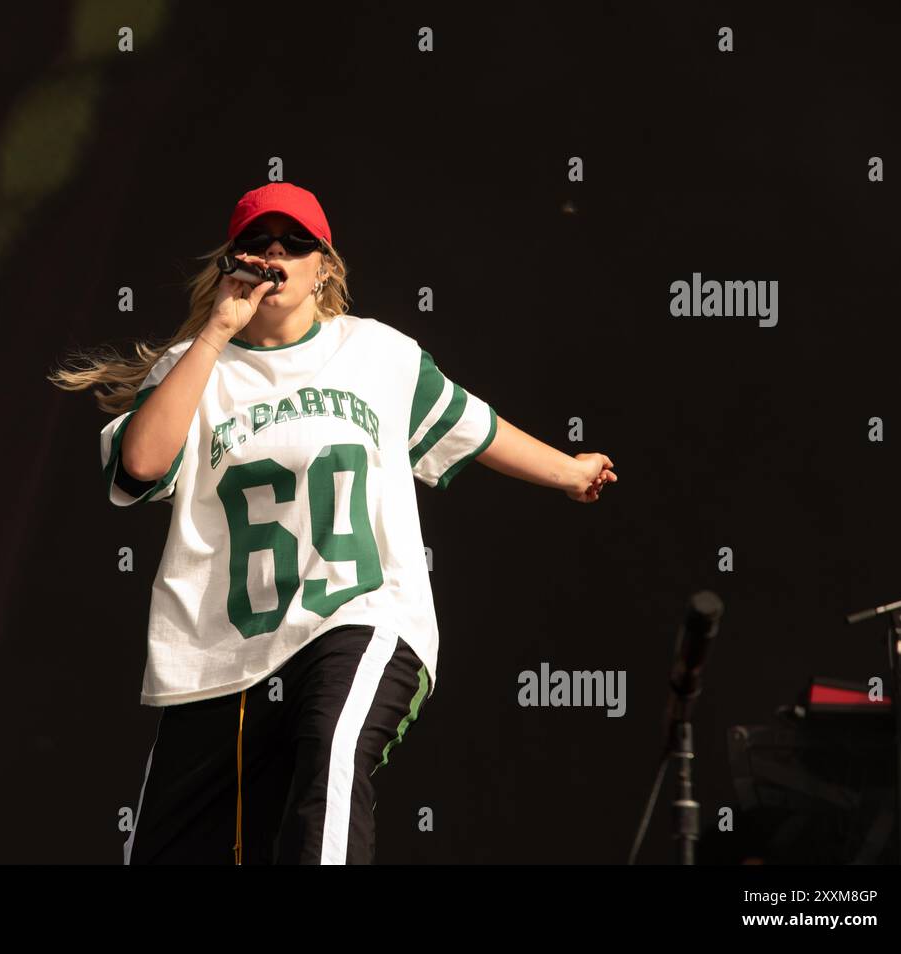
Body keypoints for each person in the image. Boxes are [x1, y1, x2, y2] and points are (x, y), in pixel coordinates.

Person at [50, 182, 617, 864]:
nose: (275, 254)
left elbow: (478, 427)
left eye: (296, 243)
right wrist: (218, 330)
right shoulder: (196, 368)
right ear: (233, 263)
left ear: (325, 267)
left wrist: (571, 471)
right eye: (258, 242)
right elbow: (139, 465)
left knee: (333, 746)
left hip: (360, 617)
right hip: (224, 657)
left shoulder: (378, 354)